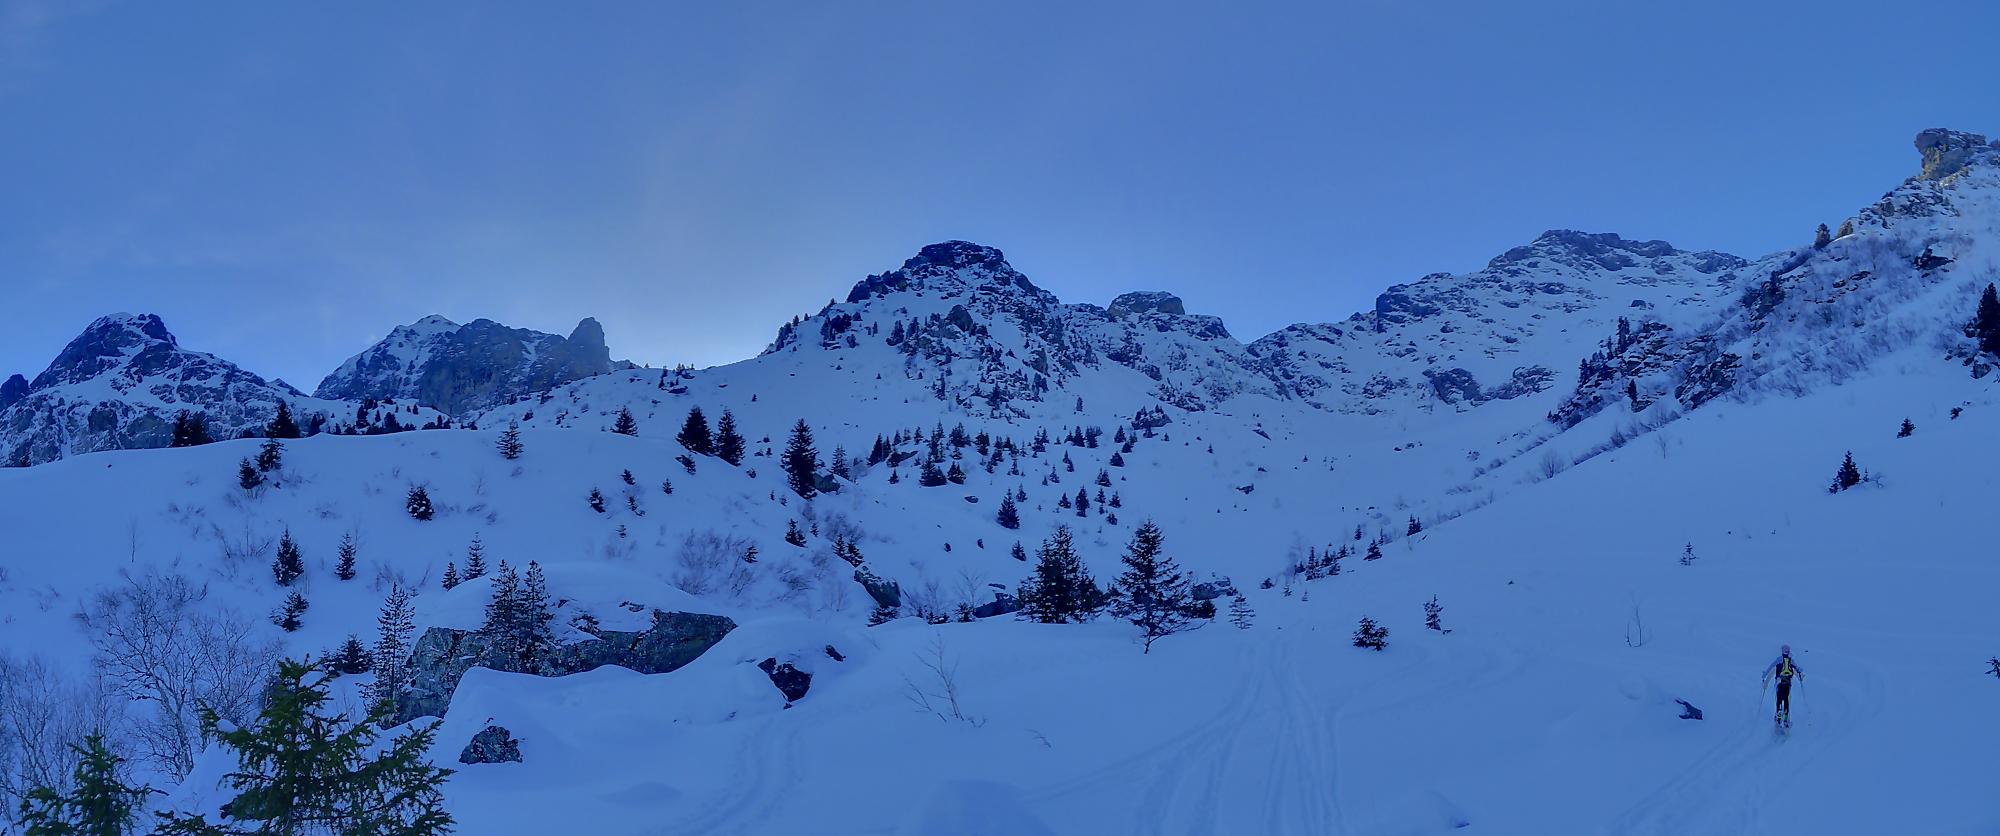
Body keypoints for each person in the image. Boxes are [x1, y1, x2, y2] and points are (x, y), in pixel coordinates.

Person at [1761, 644, 1804, 725]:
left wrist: (1765, 677)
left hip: (1779, 683)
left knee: (1779, 699)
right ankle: (1786, 718)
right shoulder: (1791, 660)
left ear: (1782, 651)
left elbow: (1770, 669)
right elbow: (1797, 670)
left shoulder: (1779, 660)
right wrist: (1800, 677)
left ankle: (1778, 717)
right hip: (1787, 684)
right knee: (1787, 700)